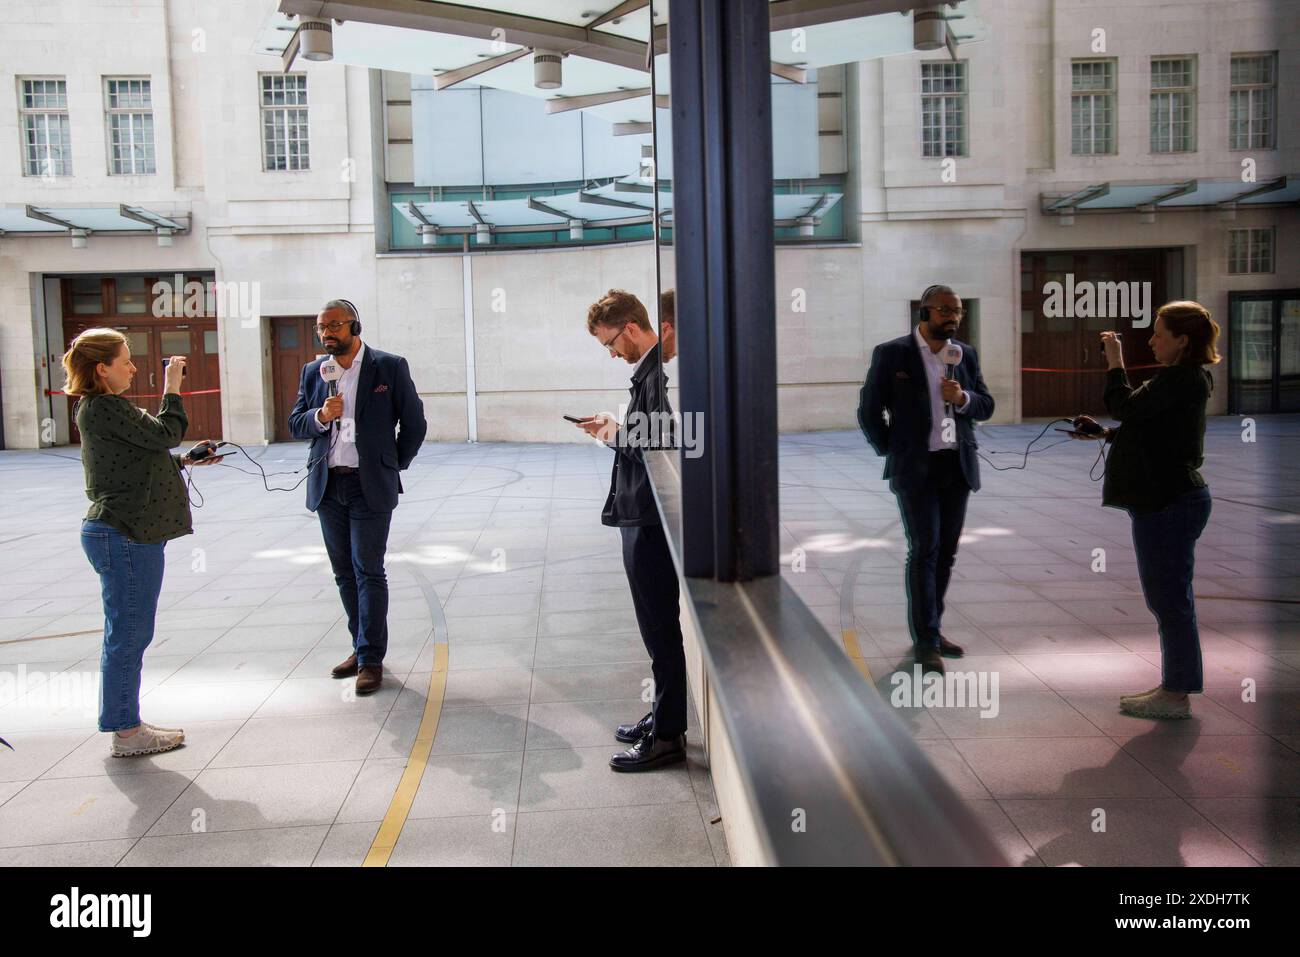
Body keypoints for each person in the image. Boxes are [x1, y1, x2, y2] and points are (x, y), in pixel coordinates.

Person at [63, 329, 223, 757]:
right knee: (129, 635)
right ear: (102, 369)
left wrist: (188, 460)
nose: (133, 367)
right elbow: (165, 433)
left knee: (130, 633)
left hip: (126, 533)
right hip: (125, 534)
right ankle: (127, 733)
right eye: (126, 360)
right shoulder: (102, 407)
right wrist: (173, 388)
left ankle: (126, 721)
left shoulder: (102, 410)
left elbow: (144, 456)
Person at [1072, 301, 1218, 720]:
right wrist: (1104, 434)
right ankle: (1176, 685)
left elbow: (1126, 406)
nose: (1151, 340)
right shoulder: (1183, 380)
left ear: (1182, 341)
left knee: (1170, 602)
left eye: (1158, 333)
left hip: (1168, 504)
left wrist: (1115, 362)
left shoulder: (1180, 378)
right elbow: (1148, 428)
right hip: (1169, 501)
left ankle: (1176, 694)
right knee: (1170, 600)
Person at [288, 299, 426, 695]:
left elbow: (414, 422)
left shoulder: (389, 366)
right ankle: (359, 645)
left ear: (355, 326)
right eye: (321, 327)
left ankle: (370, 659)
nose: (327, 333)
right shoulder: (315, 371)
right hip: (328, 485)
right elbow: (297, 424)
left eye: (334, 325)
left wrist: (391, 463)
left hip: (369, 486)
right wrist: (321, 416)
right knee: (343, 572)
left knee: (368, 569)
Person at [857, 285, 995, 675]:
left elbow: (986, 403)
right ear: (924, 312)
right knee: (925, 550)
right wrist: (893, 450)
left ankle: (932, 629)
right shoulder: (893, 354)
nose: (952, 317)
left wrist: (963, 397)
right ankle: (926, 640)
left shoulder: (963, 354)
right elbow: (869, 409)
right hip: (916, 469)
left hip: (957, 467)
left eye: (958, 311)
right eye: (945, 310)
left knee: (946, 553)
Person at [574, 289, 685, 772]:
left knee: (659, 628)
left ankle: (667, 735)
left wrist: (614, 436)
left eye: (611, 343)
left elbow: (662, 449)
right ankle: (663, 715)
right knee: (655, 627)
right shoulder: (646, 376)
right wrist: (615, 428)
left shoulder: (655, 378)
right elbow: (651, 438)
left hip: (649, 518)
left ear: (633, 328)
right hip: (642, 513)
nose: (612, 353)